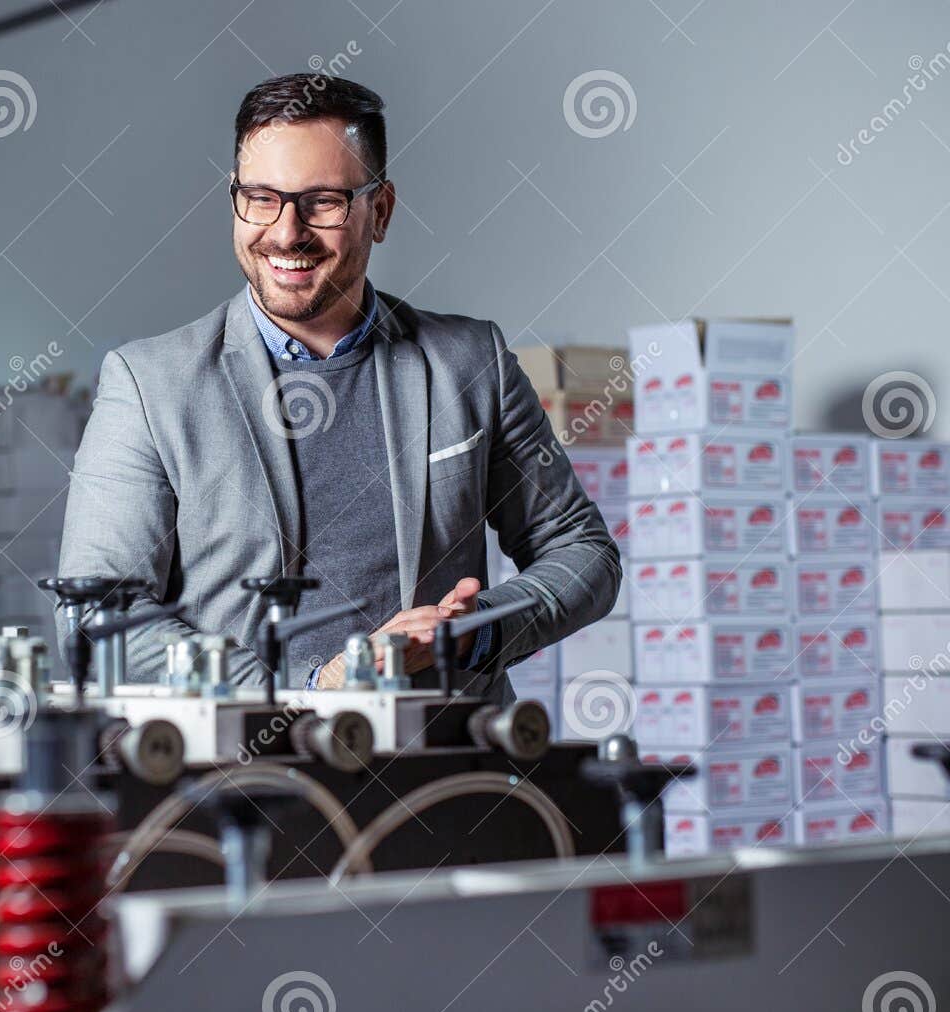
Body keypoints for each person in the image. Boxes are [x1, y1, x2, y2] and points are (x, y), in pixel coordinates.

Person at [57, 73, 619, 697]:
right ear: (234, 200)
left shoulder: (468, 362)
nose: (286, 231)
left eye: (322, 200)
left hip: (444, 771)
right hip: (243, 776)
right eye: (262, 198)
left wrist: (479, 632)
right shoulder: (150, 385)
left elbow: (583, 550)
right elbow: (95, 614)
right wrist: (311, 687)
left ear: (379, 211)